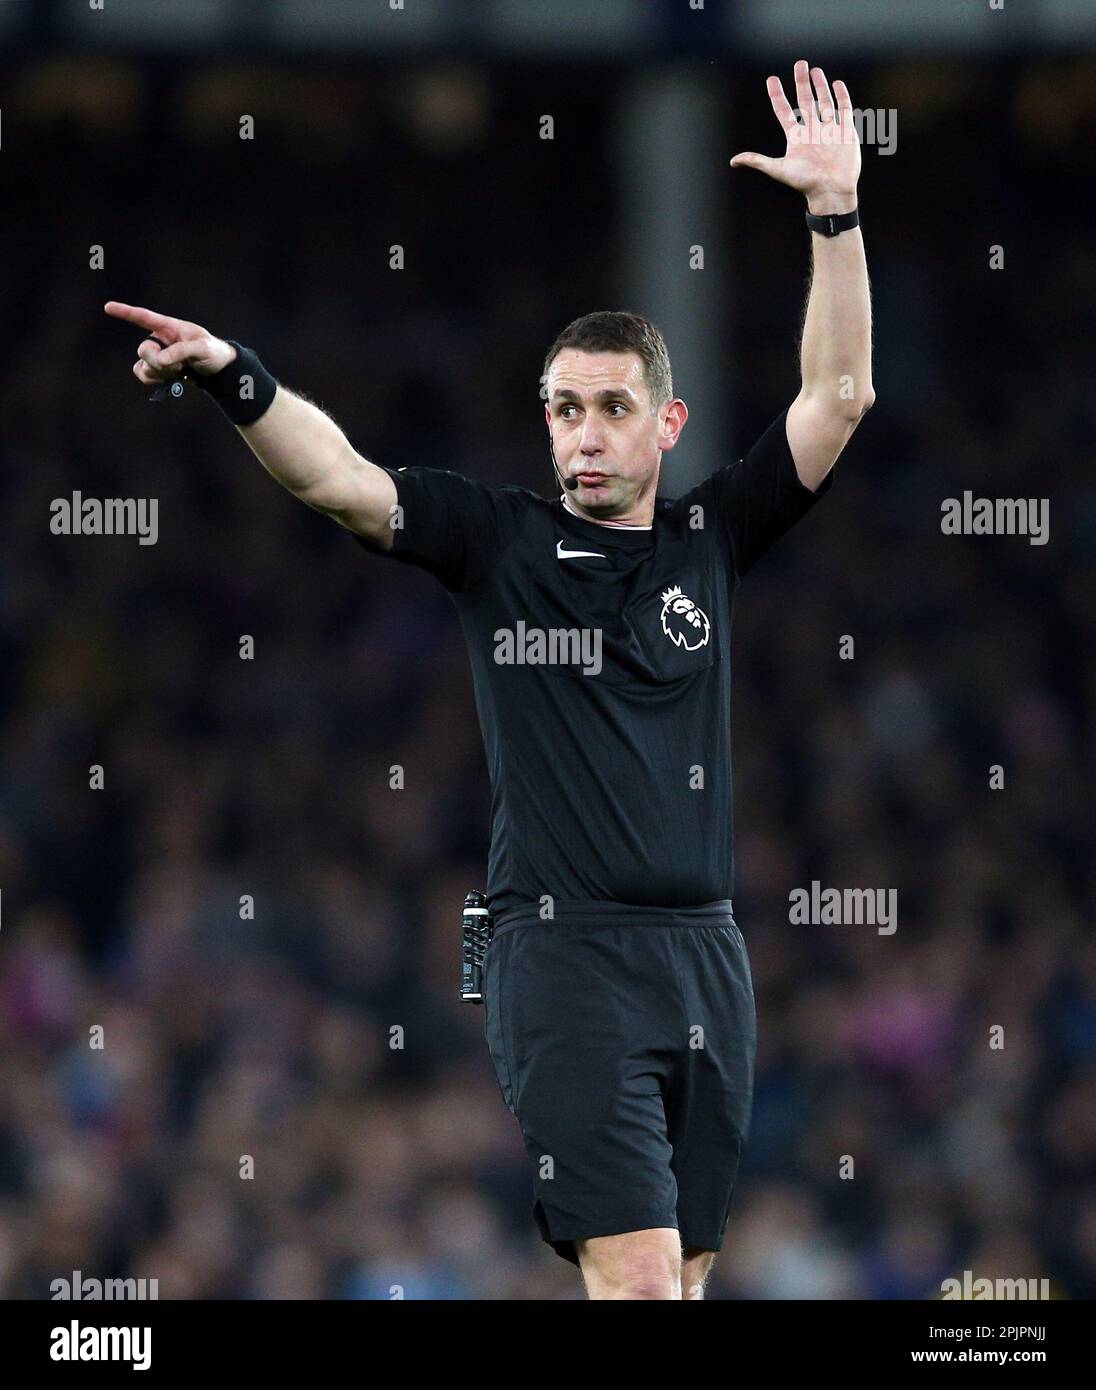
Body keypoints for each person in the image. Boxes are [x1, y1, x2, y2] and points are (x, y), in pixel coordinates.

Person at [105, 60, 873, 1300]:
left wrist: (832, 216)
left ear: (664, 427)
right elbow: (342, 479)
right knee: (633, 1278)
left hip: (706, 955)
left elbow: (837, 398)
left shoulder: (711, 538)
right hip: (560, 955)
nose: (582, 432)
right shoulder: (496, 538)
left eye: (612, 408)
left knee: (681, 1284)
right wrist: (236, 375)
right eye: (562, 407)